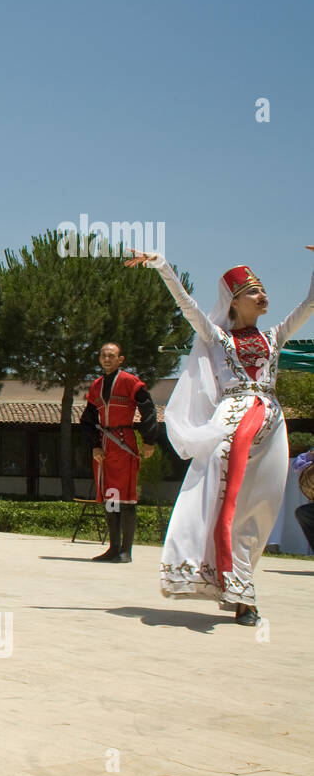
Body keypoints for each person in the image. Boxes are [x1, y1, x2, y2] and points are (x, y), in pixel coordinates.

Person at [126, 245, 314, 626]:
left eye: (263, 290)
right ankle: (241, 593)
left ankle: (239, 584)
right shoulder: (218, 339)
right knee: (227, 503)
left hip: (272, 424)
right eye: (254, 291)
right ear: (233, 301)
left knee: (262, 508)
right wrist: (161, 265)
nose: (263, 295)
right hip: (232, 422)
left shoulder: (275, 336)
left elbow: (310, 303)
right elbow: (187, 306)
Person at [79, 342, 160, 563]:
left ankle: (126, 551)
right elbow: (87, 419)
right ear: (100, 359)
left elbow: (148, 410)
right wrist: (94, 445)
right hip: (104, 447)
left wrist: (149, 440)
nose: (107, 359)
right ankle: (113, 548)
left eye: (111, 356)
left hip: (124, 444)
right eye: (103, 355)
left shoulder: (130, 382)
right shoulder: (96, 386)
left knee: (126, 499)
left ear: (120, 359)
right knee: (110, 498)